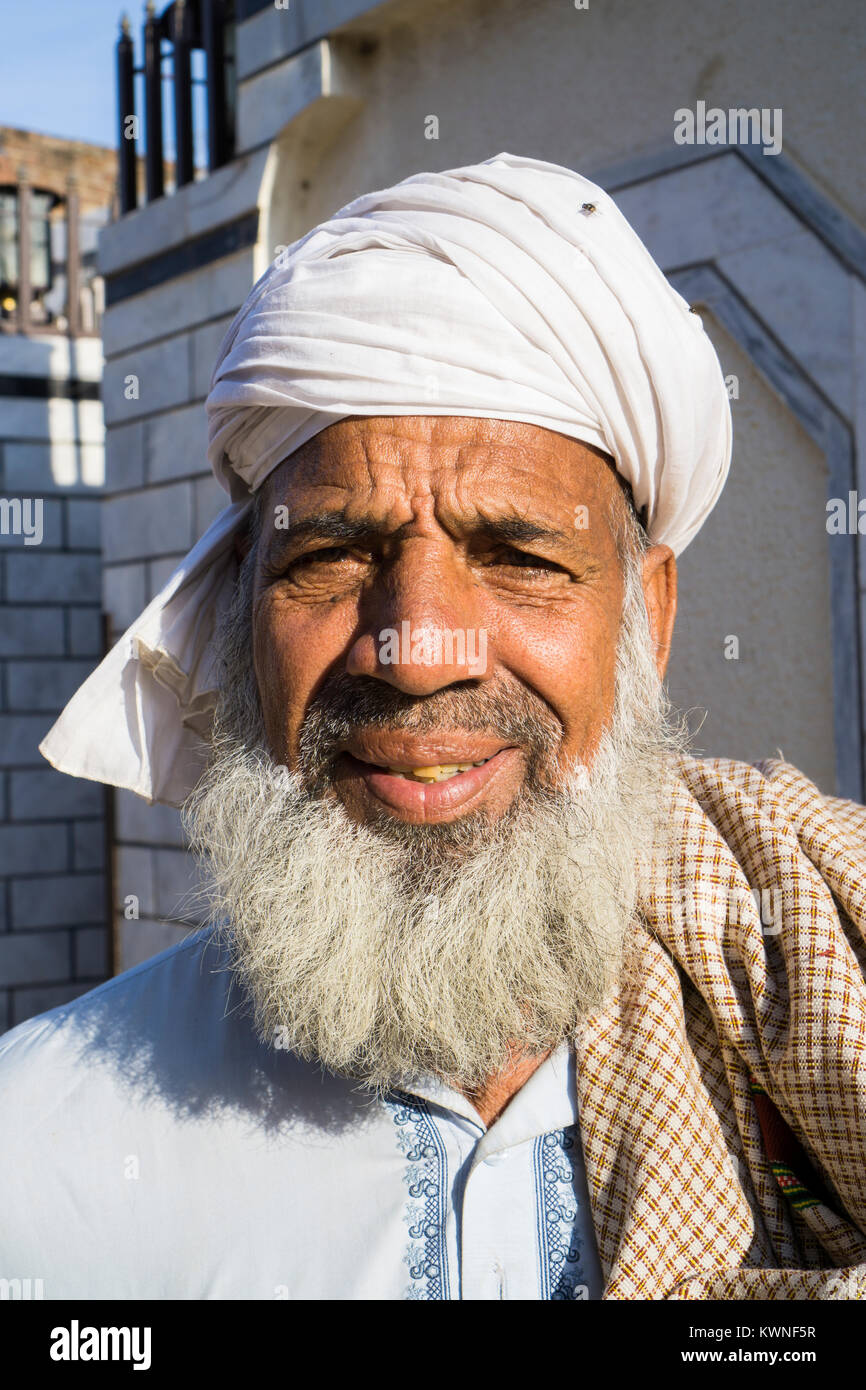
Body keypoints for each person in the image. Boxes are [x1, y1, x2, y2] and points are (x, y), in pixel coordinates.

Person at [1, 154, 864, 1300]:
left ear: (644, 619)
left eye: (516, 558)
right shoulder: (43, 1149)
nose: (416, 652)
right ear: (240, 622)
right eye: (331, 557)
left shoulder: (812, 988)